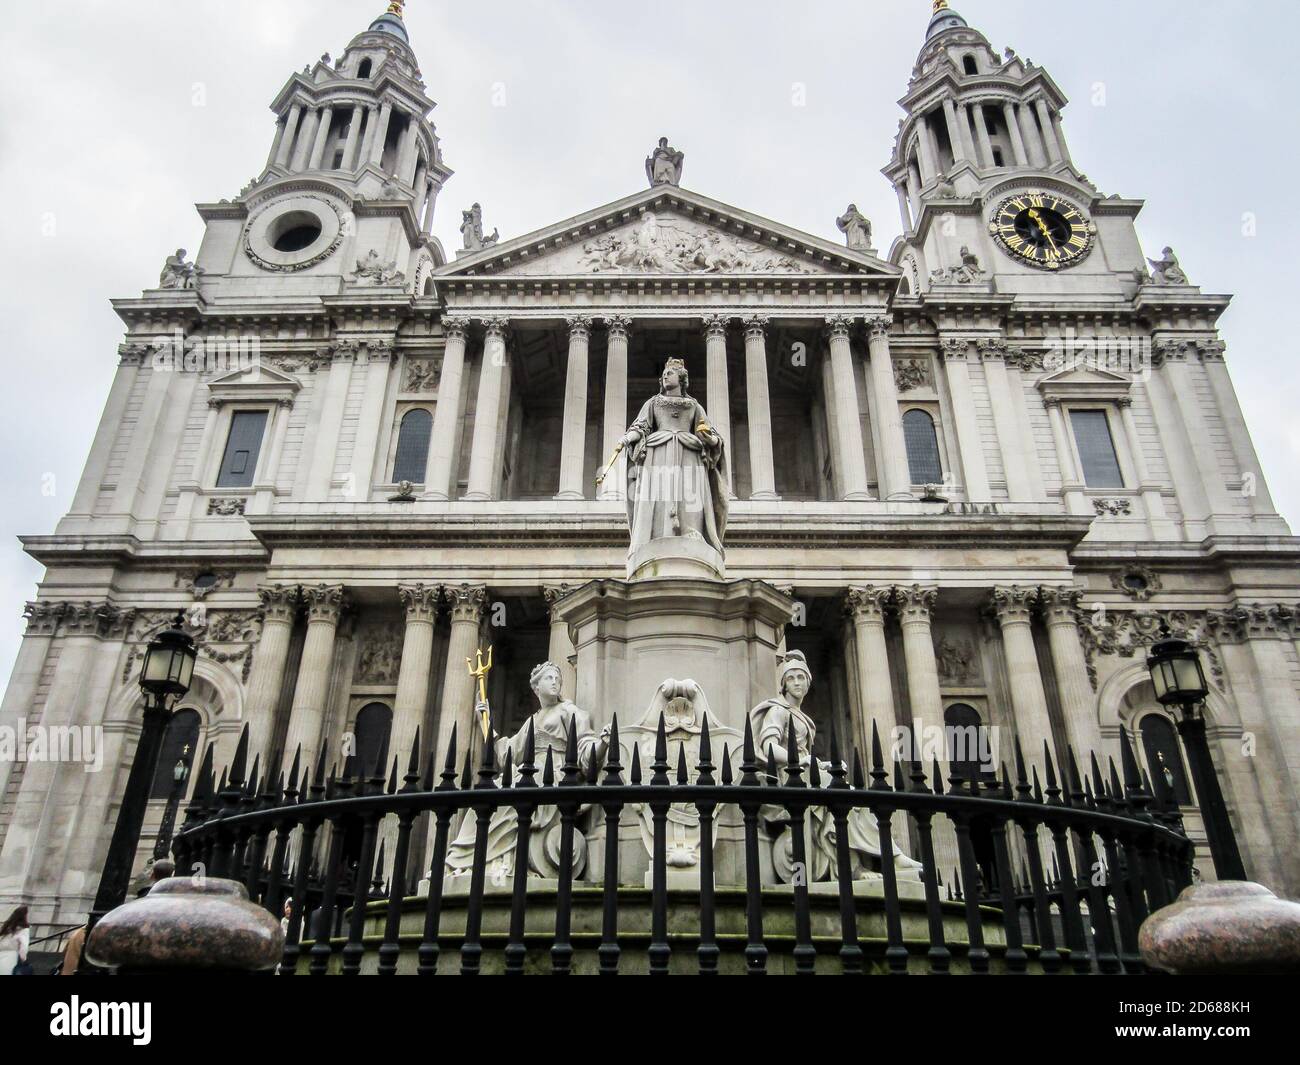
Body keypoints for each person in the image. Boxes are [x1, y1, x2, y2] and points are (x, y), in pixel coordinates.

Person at [750, 651, 923, 884]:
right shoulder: (778, 710)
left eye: (802, 677)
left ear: (809, 682)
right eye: (791, 678)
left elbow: (805, 757)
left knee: (851, 801)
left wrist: (822, 764)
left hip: (804, 774)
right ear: (783, 684)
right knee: (840, 798)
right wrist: (797, 761)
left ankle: (886, 856)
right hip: (787, 777)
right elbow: (768, 747)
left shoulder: (802, 717)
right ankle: (858, 866)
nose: (797, 683)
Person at [622, 358, 729, 564]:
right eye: (663, 374)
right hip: (658, 451)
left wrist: (710, 439)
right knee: (658, 492)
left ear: (681, 378)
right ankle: (656, 533)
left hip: (689, 451)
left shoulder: (693, 405)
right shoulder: (653, 403)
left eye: (670, 373)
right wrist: (626, 438)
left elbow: (711, 434)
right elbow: (640, 427)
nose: (664, 376)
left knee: (690, 491)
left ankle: (691, 530)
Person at [0, 906, 31, 975]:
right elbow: (23, 947)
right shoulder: (24, 930)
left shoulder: (5, 928)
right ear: (24, 916)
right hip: (12, 958)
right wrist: (24, 959)